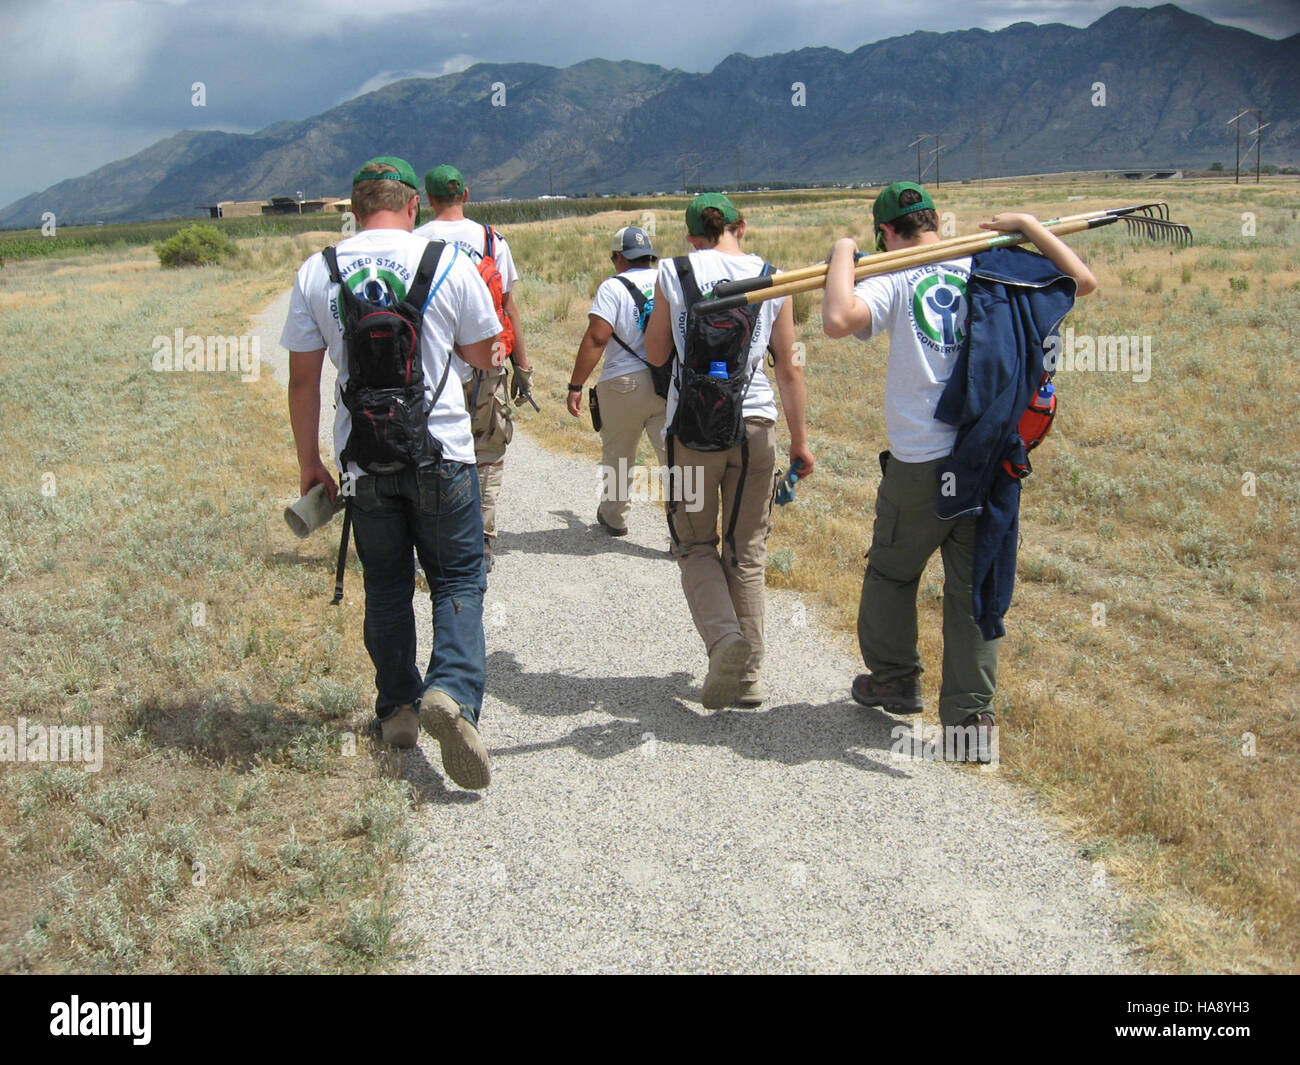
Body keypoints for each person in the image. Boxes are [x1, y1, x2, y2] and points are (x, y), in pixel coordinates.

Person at [821, 181, 1096, 759]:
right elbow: (1083, 282)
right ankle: (972, 725)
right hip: (988, 453)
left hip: (922, 458)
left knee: (893, 572)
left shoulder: (897, 273)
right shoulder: (993, 263)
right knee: (974, 588)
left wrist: (844, 252)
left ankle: (894, 680)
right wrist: (1029, 223)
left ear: (887, 233)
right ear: (936, 221)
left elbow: (838, 319)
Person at [282, 156, 502, 789]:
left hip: (363, 462)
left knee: (384, 585)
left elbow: (302, 379)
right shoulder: (449, 262)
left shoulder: (317, 271)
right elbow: (485, 353)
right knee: (458, 576)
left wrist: (308, 461)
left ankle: (398, 709)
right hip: (443, 454)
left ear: (353, 209)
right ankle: (453, 694)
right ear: (412, 207)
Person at [644, 193, 815, 709]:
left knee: (695, 545)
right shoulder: (772, 274)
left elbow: (655, 352)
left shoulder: (674, 272)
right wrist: (801, 441)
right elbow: (788, 364)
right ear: (741, 226)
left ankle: (725, 642)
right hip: (757, 420)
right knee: (747, 552)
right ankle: (749, 679)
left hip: (693, 427)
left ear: (693, 235)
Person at [415, 164, 532, 572]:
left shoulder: (413, 242)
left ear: (426, 200)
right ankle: (481, 538)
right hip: (489, 360)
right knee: (488, 451)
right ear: (465, 193)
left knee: (432, 451)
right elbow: (509, 307)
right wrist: (523, 364)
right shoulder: (491, 238)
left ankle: (436, 536)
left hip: (431, 365)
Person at [566, 225, 667, 535]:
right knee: (676, 461)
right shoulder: (668, 282)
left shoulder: (613, 288)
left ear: (619, 258)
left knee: (618, 457)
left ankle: (614, 517)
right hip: (667, 380)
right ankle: (685, 534)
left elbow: (597, 338)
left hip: (623, 383)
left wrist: (576, 386)